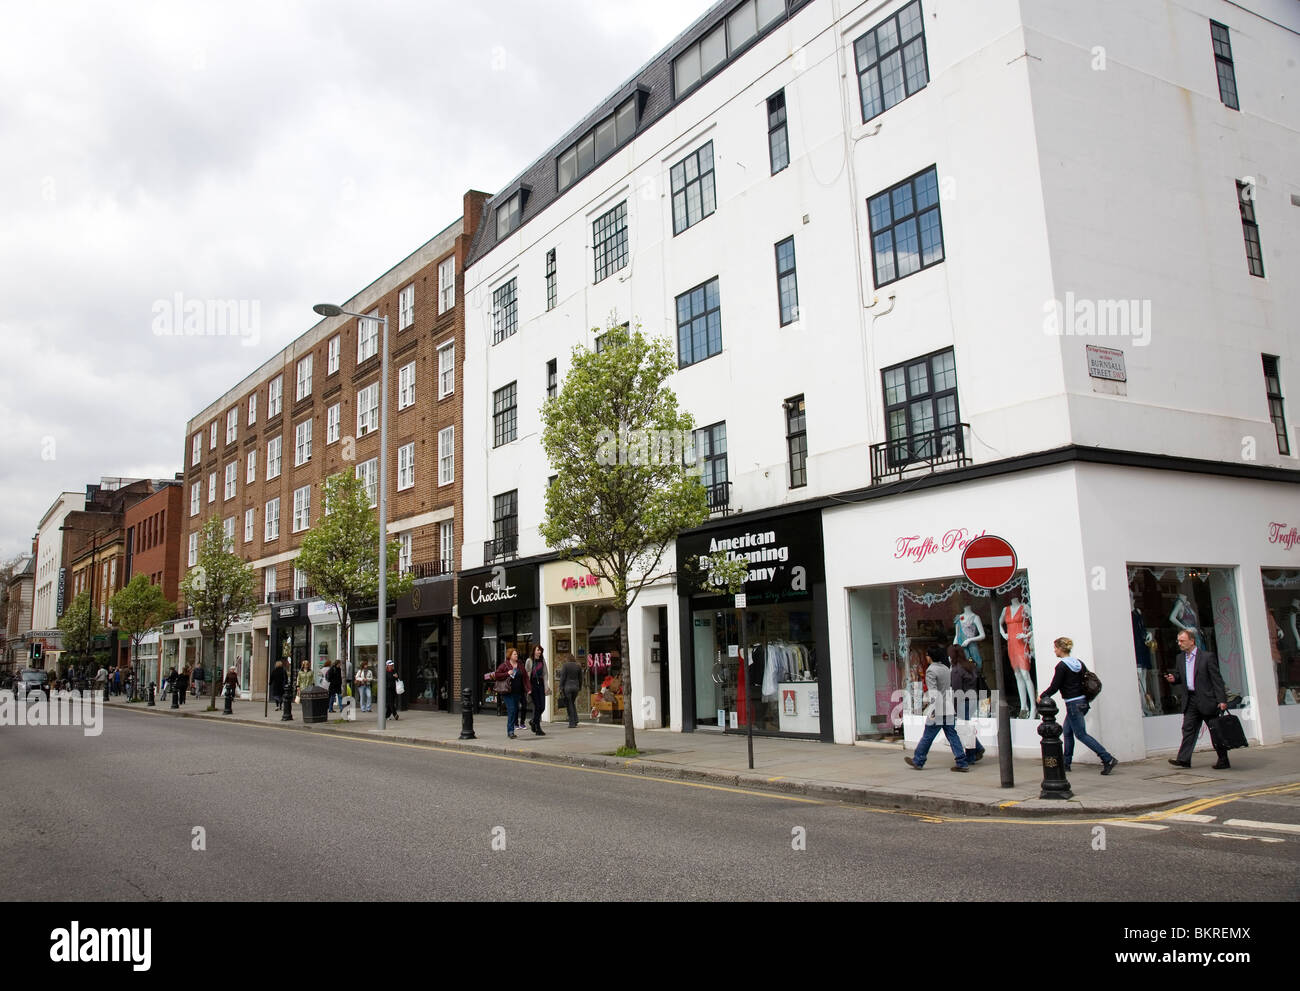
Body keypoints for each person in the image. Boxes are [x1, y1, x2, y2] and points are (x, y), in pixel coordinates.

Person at [1038, 636, 1117, 775]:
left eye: (1055, 647)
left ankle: (1107, 758)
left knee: (1081, 734)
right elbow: (1086, 680)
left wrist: (1042, 696)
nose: (1054, 650)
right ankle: (1066, 763)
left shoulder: (1062, 666)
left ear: (1061, 649)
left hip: (1073, 704)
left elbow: (1055, 686)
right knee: (1068, 732)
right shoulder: (1079, 663)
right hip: (1083, 702)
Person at [1165, 628, 1231, 769]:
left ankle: (1223, 759)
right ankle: (1184, 759)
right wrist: (1174, 678)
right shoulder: (1180, 658)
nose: (1179, 643)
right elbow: (1180, 676)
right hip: (1191, 700)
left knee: (1215, 731)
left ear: (1192, 641)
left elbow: (1217, 680)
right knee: (1188, 729)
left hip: (1207, 700)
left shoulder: (1207, 657)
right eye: (1178, 641)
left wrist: (1222, 700)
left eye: (1182, 641)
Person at [904, 645, 971, 772]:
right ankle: (962, 762)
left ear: (931, 657)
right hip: (948, 707)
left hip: (938, 709)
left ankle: (918, 760)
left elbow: (933, 693)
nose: (926, 657)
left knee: (928, 735)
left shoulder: (931, 670)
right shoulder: (946, 668)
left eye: (927, 655)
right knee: (952, 736)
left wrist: (933, 710)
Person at [948, 645, 984, 764]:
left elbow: (956, 690)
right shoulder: (970, 666)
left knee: (965, 729)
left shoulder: (956, 669)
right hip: (973, 699)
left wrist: (955, 707)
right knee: (967, 727)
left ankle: (972, 755)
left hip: (964, 701)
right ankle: (976, 750)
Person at [491, 649, 526, 738]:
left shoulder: (520, 665)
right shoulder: (504, 665)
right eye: (514, 654)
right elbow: (497, 674)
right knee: (512, 710)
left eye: (517, 654)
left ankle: (512, 729)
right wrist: (507, 673)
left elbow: (525, 677)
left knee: (515, 711)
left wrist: (528, 688)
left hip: (518, 692)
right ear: (510, 656)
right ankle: (510, 731)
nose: (516, 656)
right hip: (507, 692)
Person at [528, 645, 548, 735]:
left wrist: (546, 687)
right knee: (537, 707)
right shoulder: (529, 661)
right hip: (533, 685)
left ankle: (533, 721)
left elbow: (545, 674)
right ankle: (538, 728)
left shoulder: (542, 661)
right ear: (534, 651)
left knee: (542, 707)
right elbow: (526, 675)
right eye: (538, 650)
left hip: (541, 685)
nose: (539, 652)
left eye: (540, 650)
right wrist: (528, 688)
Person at [559, 653, 583, 728]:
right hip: (575, 687)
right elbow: (581, 679)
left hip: (567, 687)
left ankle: (572, 723)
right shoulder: (578, 666)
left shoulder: (565, 665)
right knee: (571, 703)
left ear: (567, 659)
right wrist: (580, 687)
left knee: (569, 705)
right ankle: (575, 720)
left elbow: (562, 677)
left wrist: (560, 687)